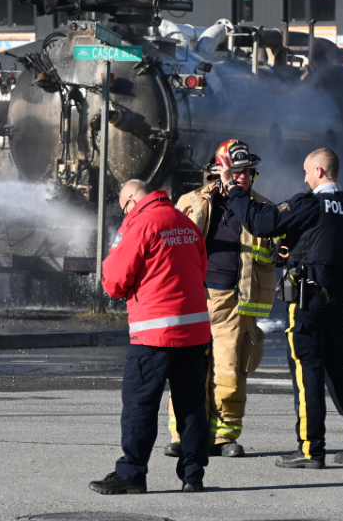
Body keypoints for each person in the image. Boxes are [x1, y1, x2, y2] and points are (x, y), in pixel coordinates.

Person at [218, 147, 343, 469]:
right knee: (340, 373)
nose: (304, 178)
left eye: (307, 172)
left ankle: (310, 450)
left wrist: (235, 189)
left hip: (307, 304)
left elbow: (260, 222)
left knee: (308, 373)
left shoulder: (310, 202)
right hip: (339, 305)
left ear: (319, 172)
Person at [90, 179, 211, 495]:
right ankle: (193, 475)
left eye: (122, 208)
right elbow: (200, 271)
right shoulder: (186, 223)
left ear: (131, 200)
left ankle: (132, 473)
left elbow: (114, 281)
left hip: (154, 334)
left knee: (139, 405)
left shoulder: (139, 224)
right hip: (195, 331)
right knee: (191, 407)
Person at [164, 140, 275, 459]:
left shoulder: (261, 210)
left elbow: (279, 246)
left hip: (234, 300)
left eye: (246, 172)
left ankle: (223, 436)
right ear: (217, 172)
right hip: (193, 298)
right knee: (187, 369)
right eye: (234, 172)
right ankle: (181, 433)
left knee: (229, 368)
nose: (240, 178)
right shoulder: (190, 202)